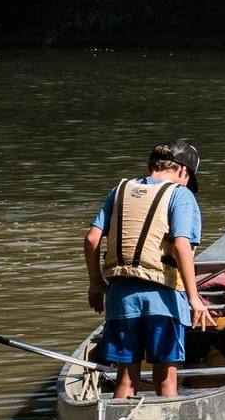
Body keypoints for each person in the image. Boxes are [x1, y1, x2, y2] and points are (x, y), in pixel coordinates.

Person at [84, 140, 215, 399]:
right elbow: (181, 245)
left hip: (121, 298)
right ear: (183, 172)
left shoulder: (119, 189)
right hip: (164, 299)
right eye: (188, 179)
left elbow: (91, 239)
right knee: (166, 376)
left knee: (126, 376)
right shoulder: (180, 194)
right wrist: (194, 298)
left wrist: (96, 282)